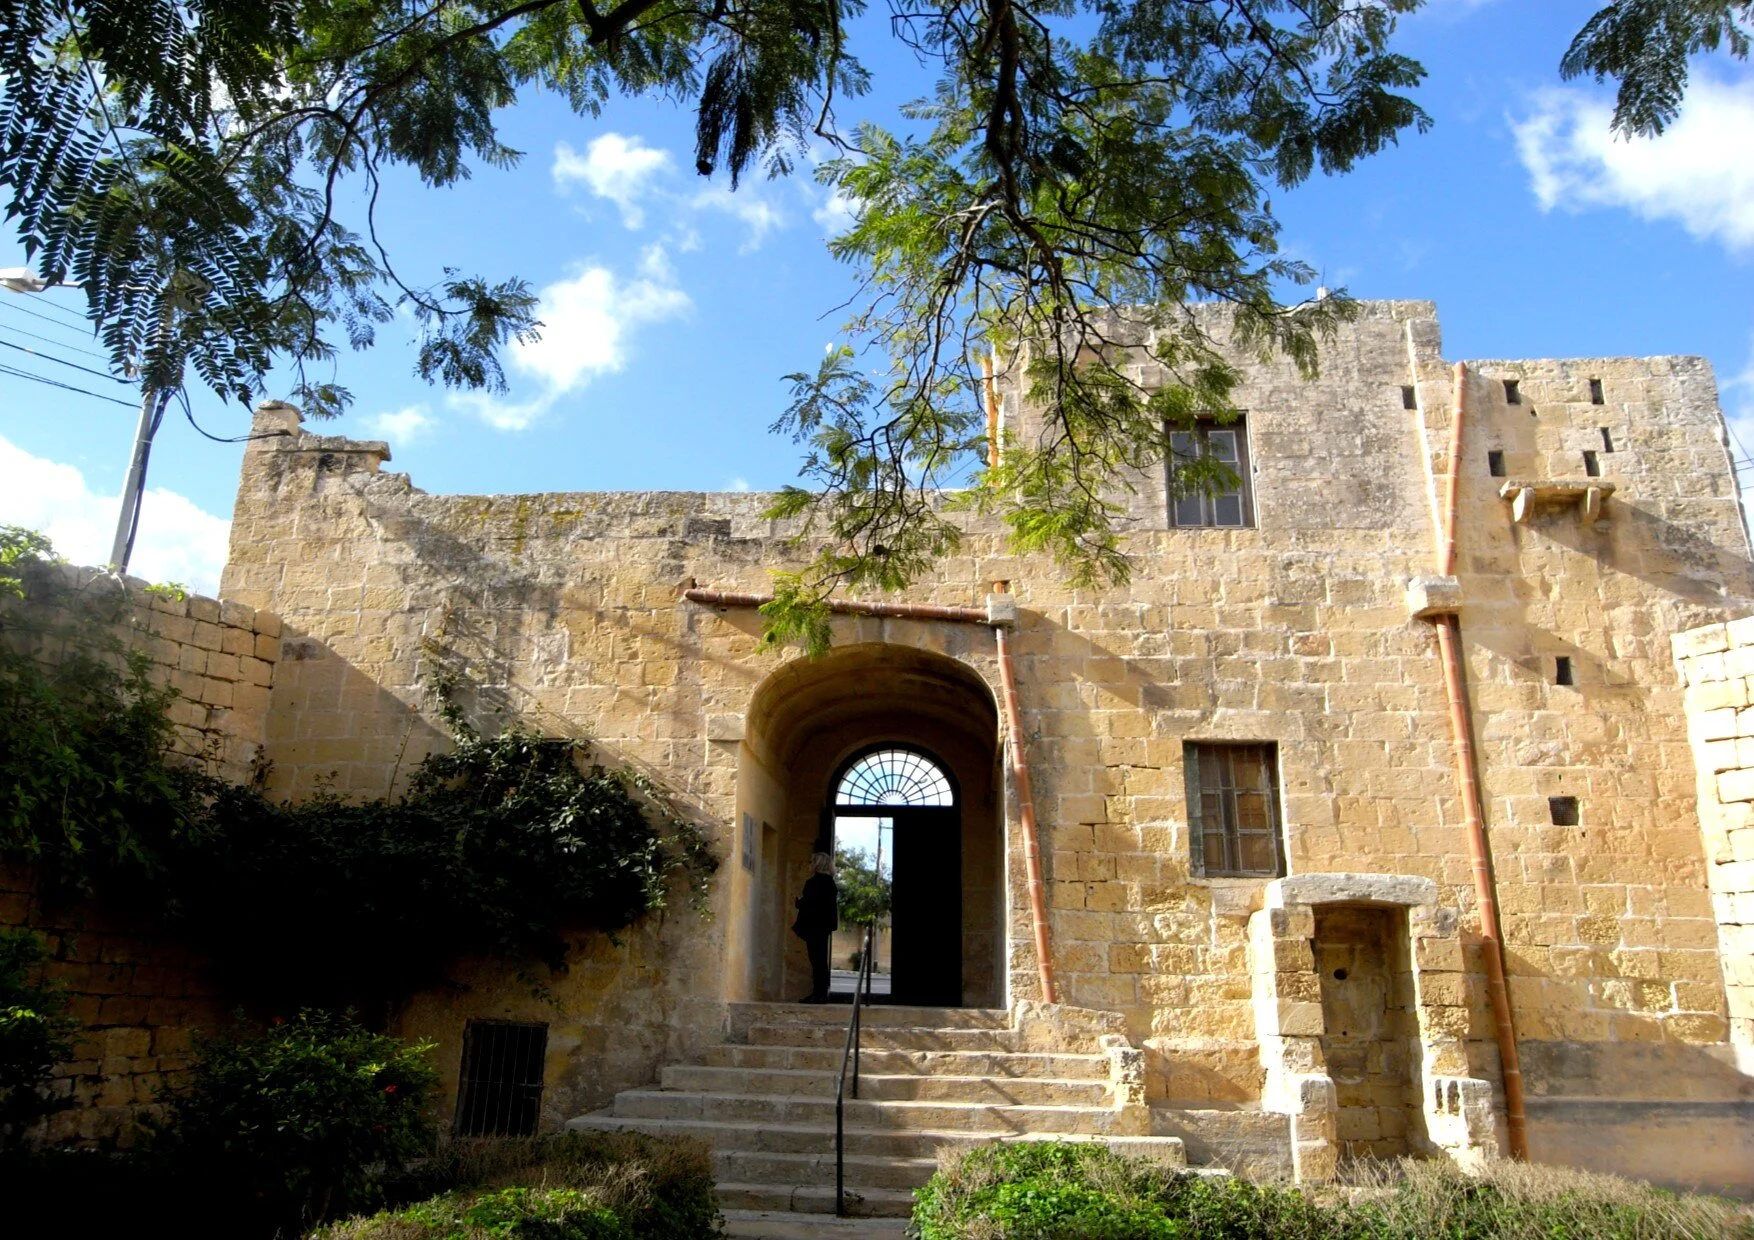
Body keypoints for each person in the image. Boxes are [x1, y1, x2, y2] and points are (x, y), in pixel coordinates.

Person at [792, 851, 839, 1003]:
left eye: (812, 862)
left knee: (816, 960)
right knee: (821, 960)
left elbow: (810, 904)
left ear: (817, 864)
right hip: (824, 927)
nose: (810, 864)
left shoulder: (813, 883)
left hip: (813, 927)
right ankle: (821, 994)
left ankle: (818, 995)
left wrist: (798, 903)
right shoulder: (830, 883)